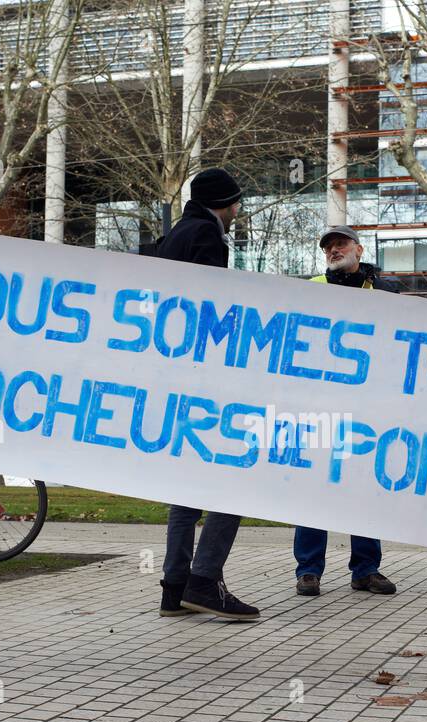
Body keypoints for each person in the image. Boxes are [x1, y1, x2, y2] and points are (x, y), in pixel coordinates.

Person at [153, 168, 259, 621]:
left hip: (175, 376)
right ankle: (205, 580)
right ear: (227, 204)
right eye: (236, 203)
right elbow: (214, 307)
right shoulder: (206, 237)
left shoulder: (175, 234)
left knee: (186, 488)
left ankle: (174, 589)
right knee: (232, 483)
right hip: (204, 378)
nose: (237, 211)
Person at [294, 225, 400, 597]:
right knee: (313, 488)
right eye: (328, 247)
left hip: (368, 408)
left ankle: (366, 570)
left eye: (339, 244)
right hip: (320, 406)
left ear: (358, 249)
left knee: (363, 487)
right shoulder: (310, 289)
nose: (333, 251)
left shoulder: (387, 292)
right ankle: (308, 571)